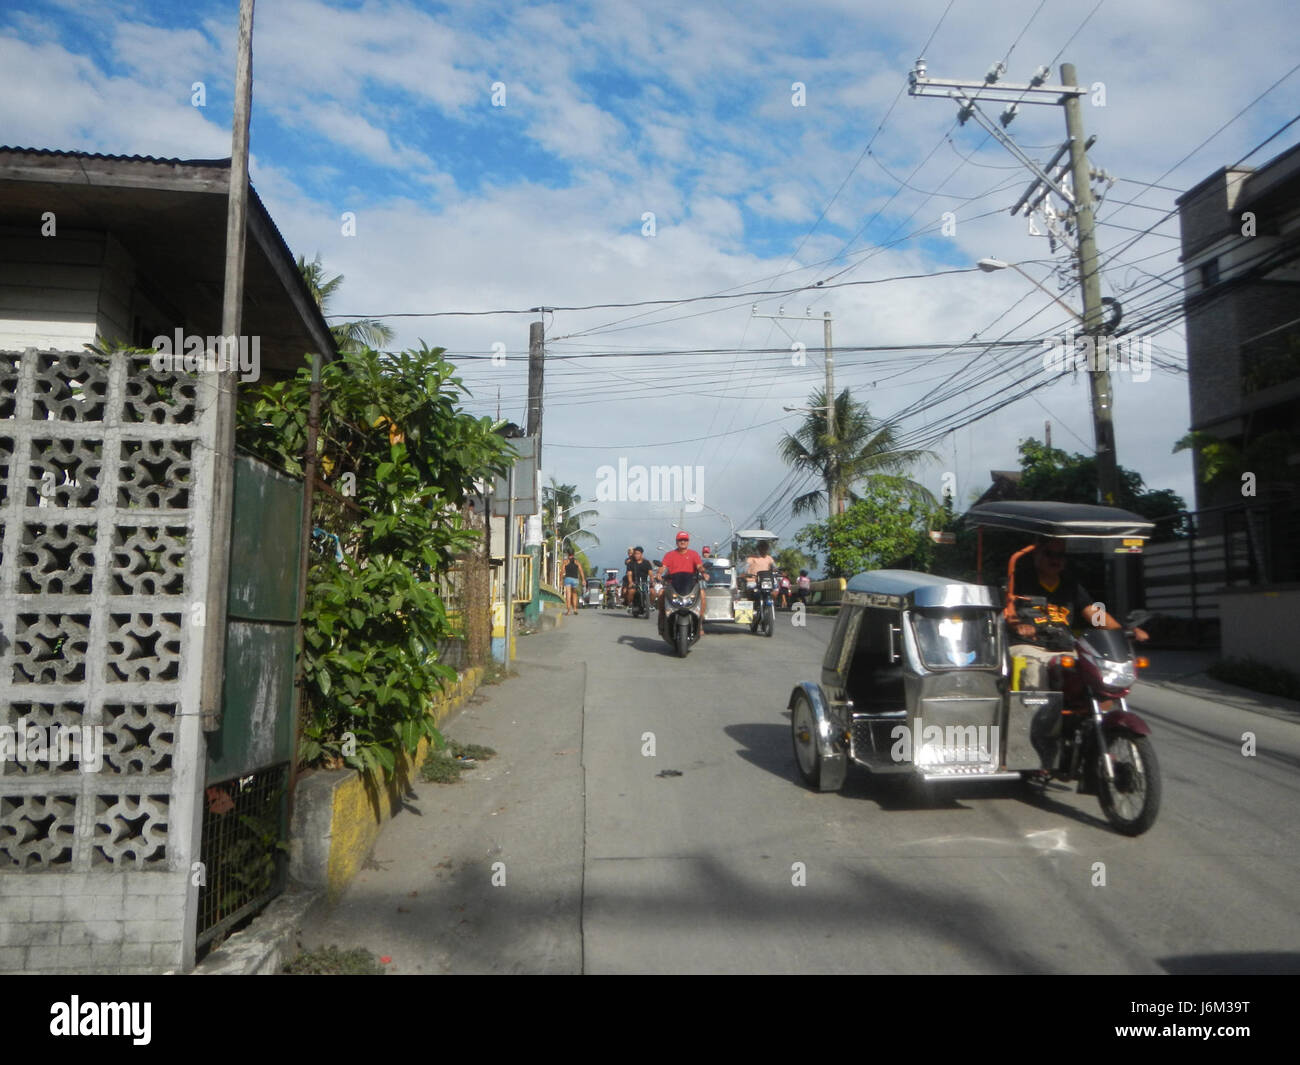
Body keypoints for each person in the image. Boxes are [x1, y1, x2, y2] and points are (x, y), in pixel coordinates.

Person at [1008, 536, 1149, 689]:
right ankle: (1036, 712)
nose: (1055, 560)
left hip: (1064, 648)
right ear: (1036, 554)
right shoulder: (1019, 580)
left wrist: (1123, 631)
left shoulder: (1071, 586)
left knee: (1097, 674)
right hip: (1030, 646)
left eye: (1061, 555)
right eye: (1049, 554)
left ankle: (1098, 711)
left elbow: (1095, 615)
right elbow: (1007, 611)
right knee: (1034, 673)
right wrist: (1018, 626)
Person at [658, 530, 708, 637]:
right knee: (661, 593)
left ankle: (700, 622)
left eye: (685, 540)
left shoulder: (693, 554)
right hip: (673, 585)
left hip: (690, 585)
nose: (683, 542)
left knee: (702, 594)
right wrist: (658, 574)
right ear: (676, 542)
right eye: (680, 540)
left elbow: (699, 566)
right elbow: (663, 567)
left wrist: (704, 573)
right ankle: (662, 618)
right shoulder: (670, 555)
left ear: (688, 542)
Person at [625, 546, 654, 613]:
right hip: (635, 583)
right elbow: (629, 574)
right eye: (635, 553)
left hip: (645, 583)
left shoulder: (646, 563)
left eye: (638, 553)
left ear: (641, 554)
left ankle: (651, 605)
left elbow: (650, 573)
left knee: (653, 591)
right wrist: (630, 582)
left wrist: (652, 581)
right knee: (631, 591)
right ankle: (630, 605)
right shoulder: (631, 563)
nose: (636, 555)